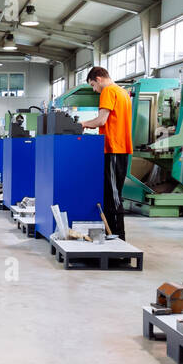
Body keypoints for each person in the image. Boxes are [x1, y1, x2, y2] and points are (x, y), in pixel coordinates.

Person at [79, 67, 132, 240]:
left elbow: (101, 120)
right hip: (121, 148)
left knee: (113, 196)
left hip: (113, 148)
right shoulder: (123, 92)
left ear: (99, 78)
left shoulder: (108, 91)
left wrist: (83, 124)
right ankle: (111, 234)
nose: (95, 89)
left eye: (93, 85)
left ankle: (119, 238)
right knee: (111, 193)